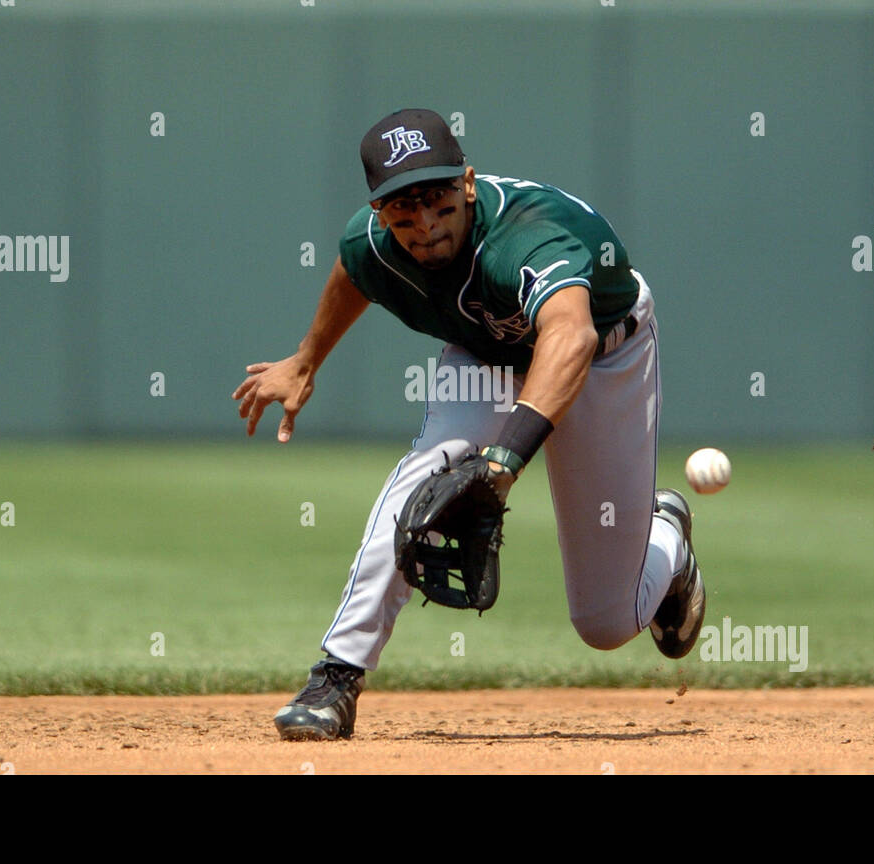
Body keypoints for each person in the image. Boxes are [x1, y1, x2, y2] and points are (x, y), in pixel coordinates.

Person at [232, 108, 706, 741]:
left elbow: (569, 338)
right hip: (485, 356)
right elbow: (354, 272)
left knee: (607, 622)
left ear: (469, 184)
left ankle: (666, 536)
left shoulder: (527, 238)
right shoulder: (373, 242)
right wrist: (306, 358)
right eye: (403, 206)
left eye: (437, 197)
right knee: (419, 488)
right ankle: (336, 678)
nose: (424, 222)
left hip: (603, 355)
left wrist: (503, 464)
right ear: (381, 213)